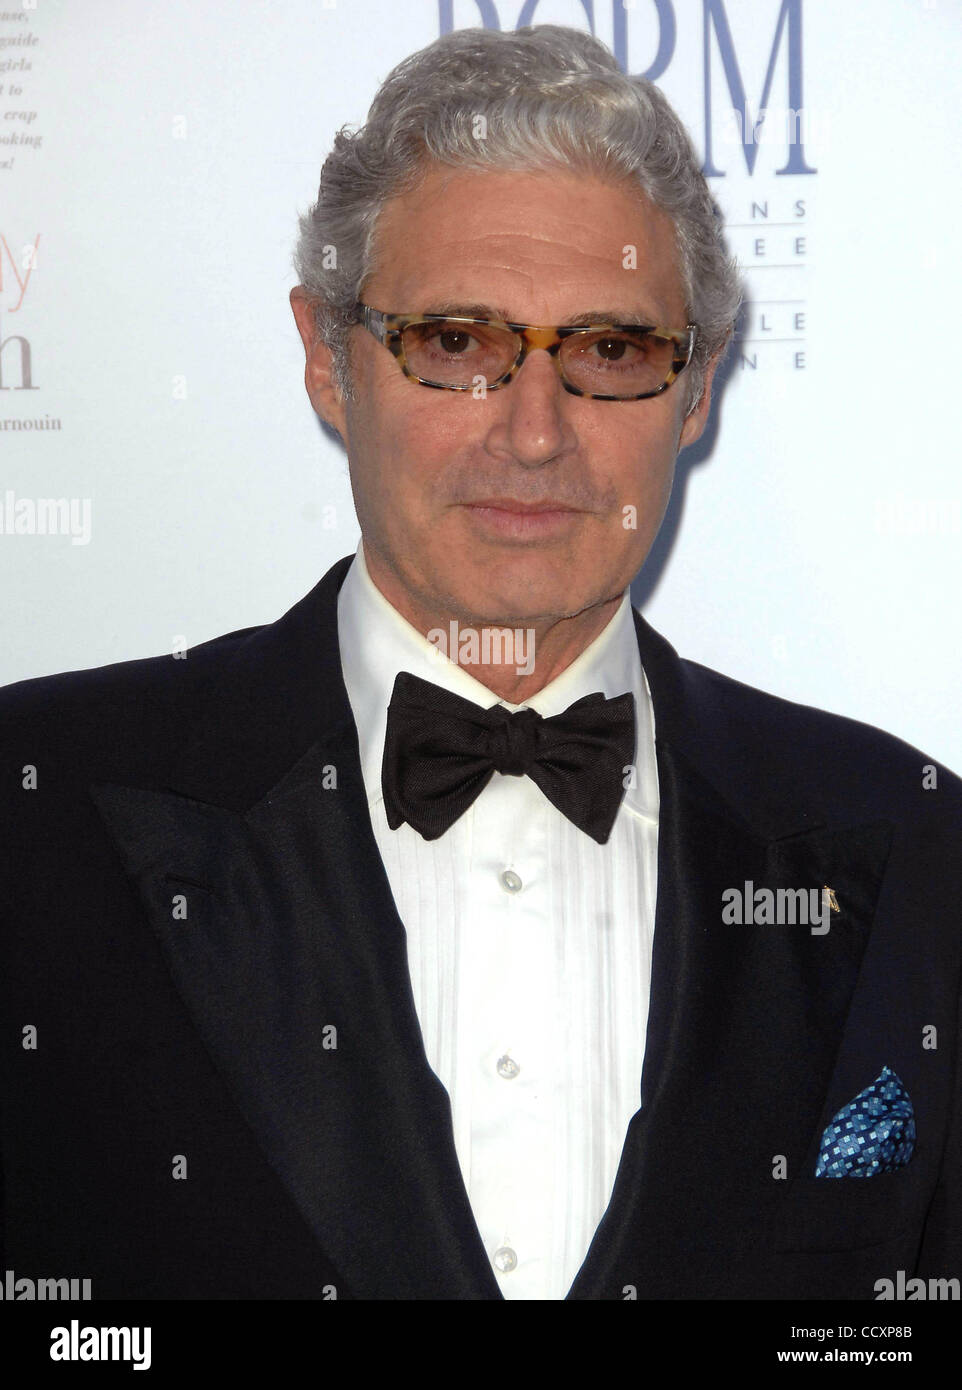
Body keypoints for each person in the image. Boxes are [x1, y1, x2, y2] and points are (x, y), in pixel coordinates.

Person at [1, 24, 960, 1303]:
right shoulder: (35, 814)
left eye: (609, 351)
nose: (531, 432)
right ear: (325, 358)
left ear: (697, 390)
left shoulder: (909, 853)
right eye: (454, 343)